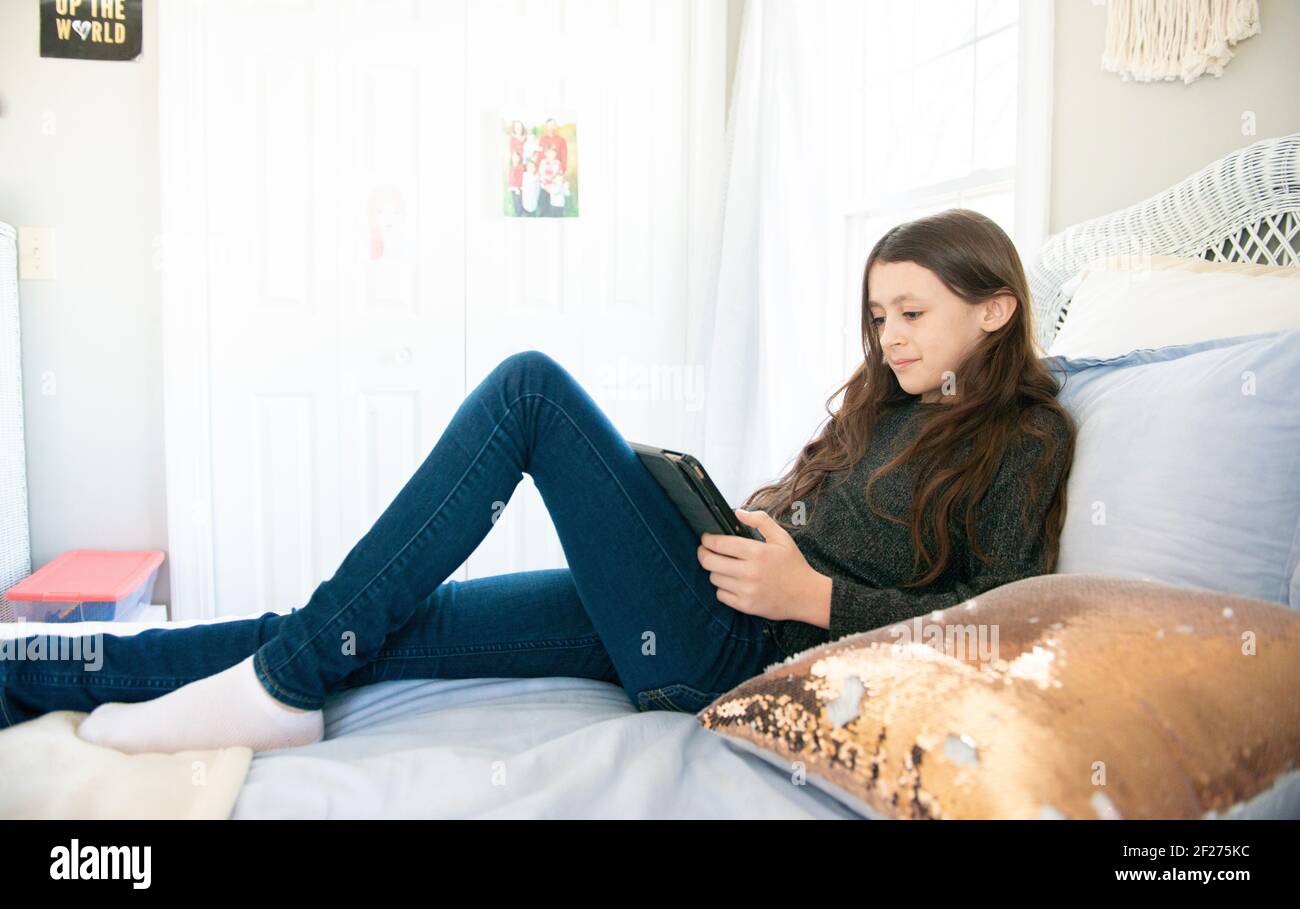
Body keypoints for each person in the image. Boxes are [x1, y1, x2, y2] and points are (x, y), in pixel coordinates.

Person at [0, 208, 1075, 753]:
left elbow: (1005, 632)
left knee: (530, 391)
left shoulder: (1027, 438)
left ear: (994, 308)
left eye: (911, 313)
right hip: (700, 600)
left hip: (743, 653)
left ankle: (283, 684)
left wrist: (815, 598)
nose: (886, 335)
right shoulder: (889, 400)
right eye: (877, 314)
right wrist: (746, 518)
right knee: (365, 629)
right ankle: (32, 679)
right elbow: (817, 515)